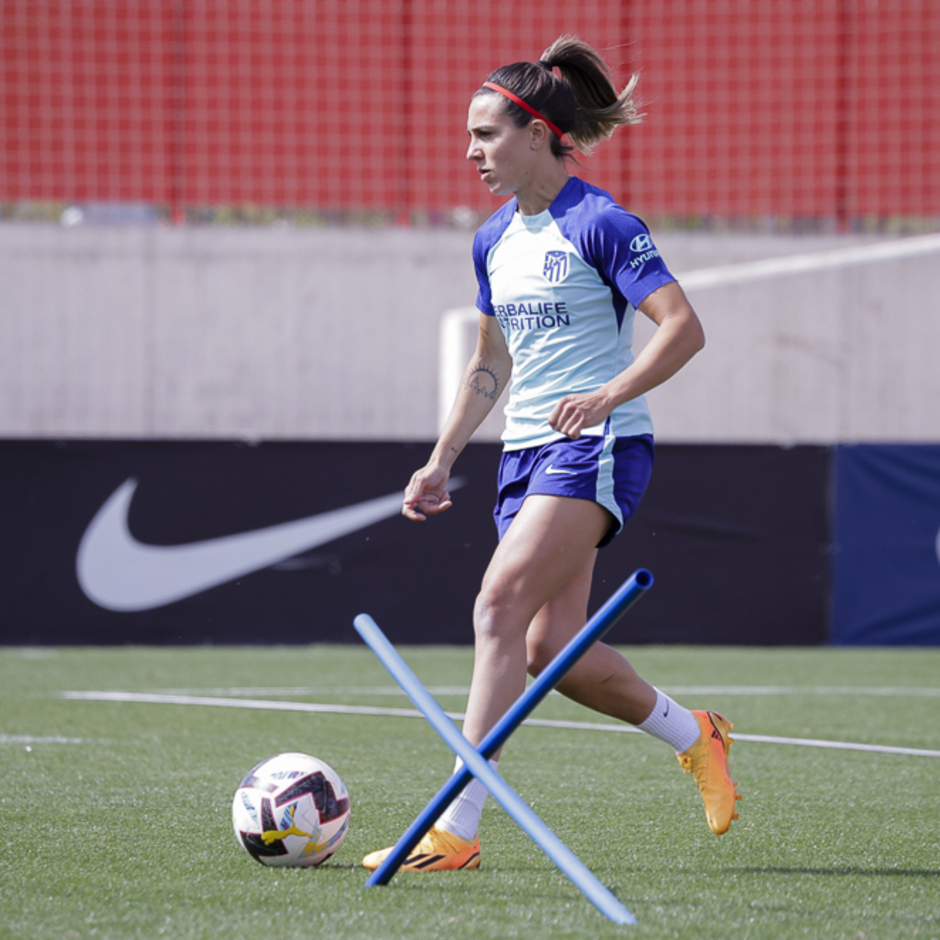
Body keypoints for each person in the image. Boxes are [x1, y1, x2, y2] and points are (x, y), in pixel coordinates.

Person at [363, 36, 739, 873]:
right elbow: (489, 362)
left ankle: (455, 826)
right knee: (548, 654)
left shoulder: (603, 223)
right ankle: (697, 733)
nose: (470, 152)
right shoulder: (492, 238)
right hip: (523, 457)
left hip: (599, 447)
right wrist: (440, 457)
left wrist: (608, 396)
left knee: (496, 607)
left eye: (487, 135)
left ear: (537, 133)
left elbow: (684, 329)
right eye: (469, 137)